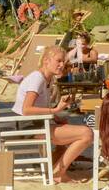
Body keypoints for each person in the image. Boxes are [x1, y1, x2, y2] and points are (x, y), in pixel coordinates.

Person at [13, 44, 93, 183]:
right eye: (58, 61)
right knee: (87, 134)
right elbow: (26, 109)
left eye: (64, 62)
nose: (62, 65)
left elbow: (39, 106)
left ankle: (56, 167)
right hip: (30, 126)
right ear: (46, 60)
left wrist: (56, 115)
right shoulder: (37, 78)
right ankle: (58, 173)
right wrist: (55, 110)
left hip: (37, 123)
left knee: (67, 127)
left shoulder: (46, 79)